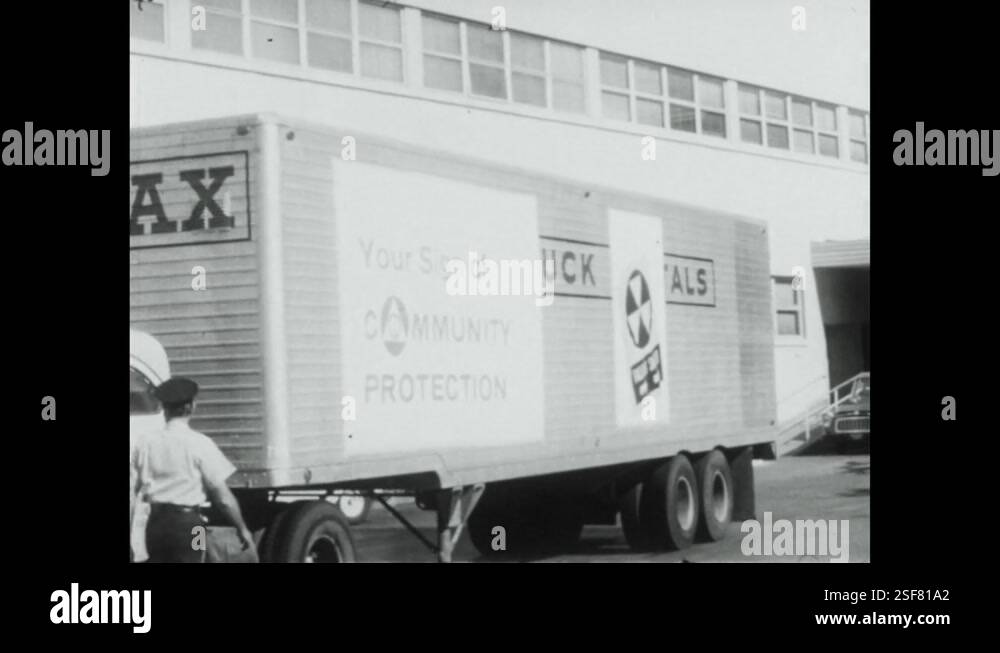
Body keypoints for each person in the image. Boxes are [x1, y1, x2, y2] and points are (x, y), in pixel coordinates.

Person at [131, 377, 257, 563]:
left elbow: (131, 492)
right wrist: (242, 528)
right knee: (197, 557)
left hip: (155, 527)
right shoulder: (200, 444)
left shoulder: (145, 444)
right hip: (191, 525)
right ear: (190, 407)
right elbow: (223, 499)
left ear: (164, 408)